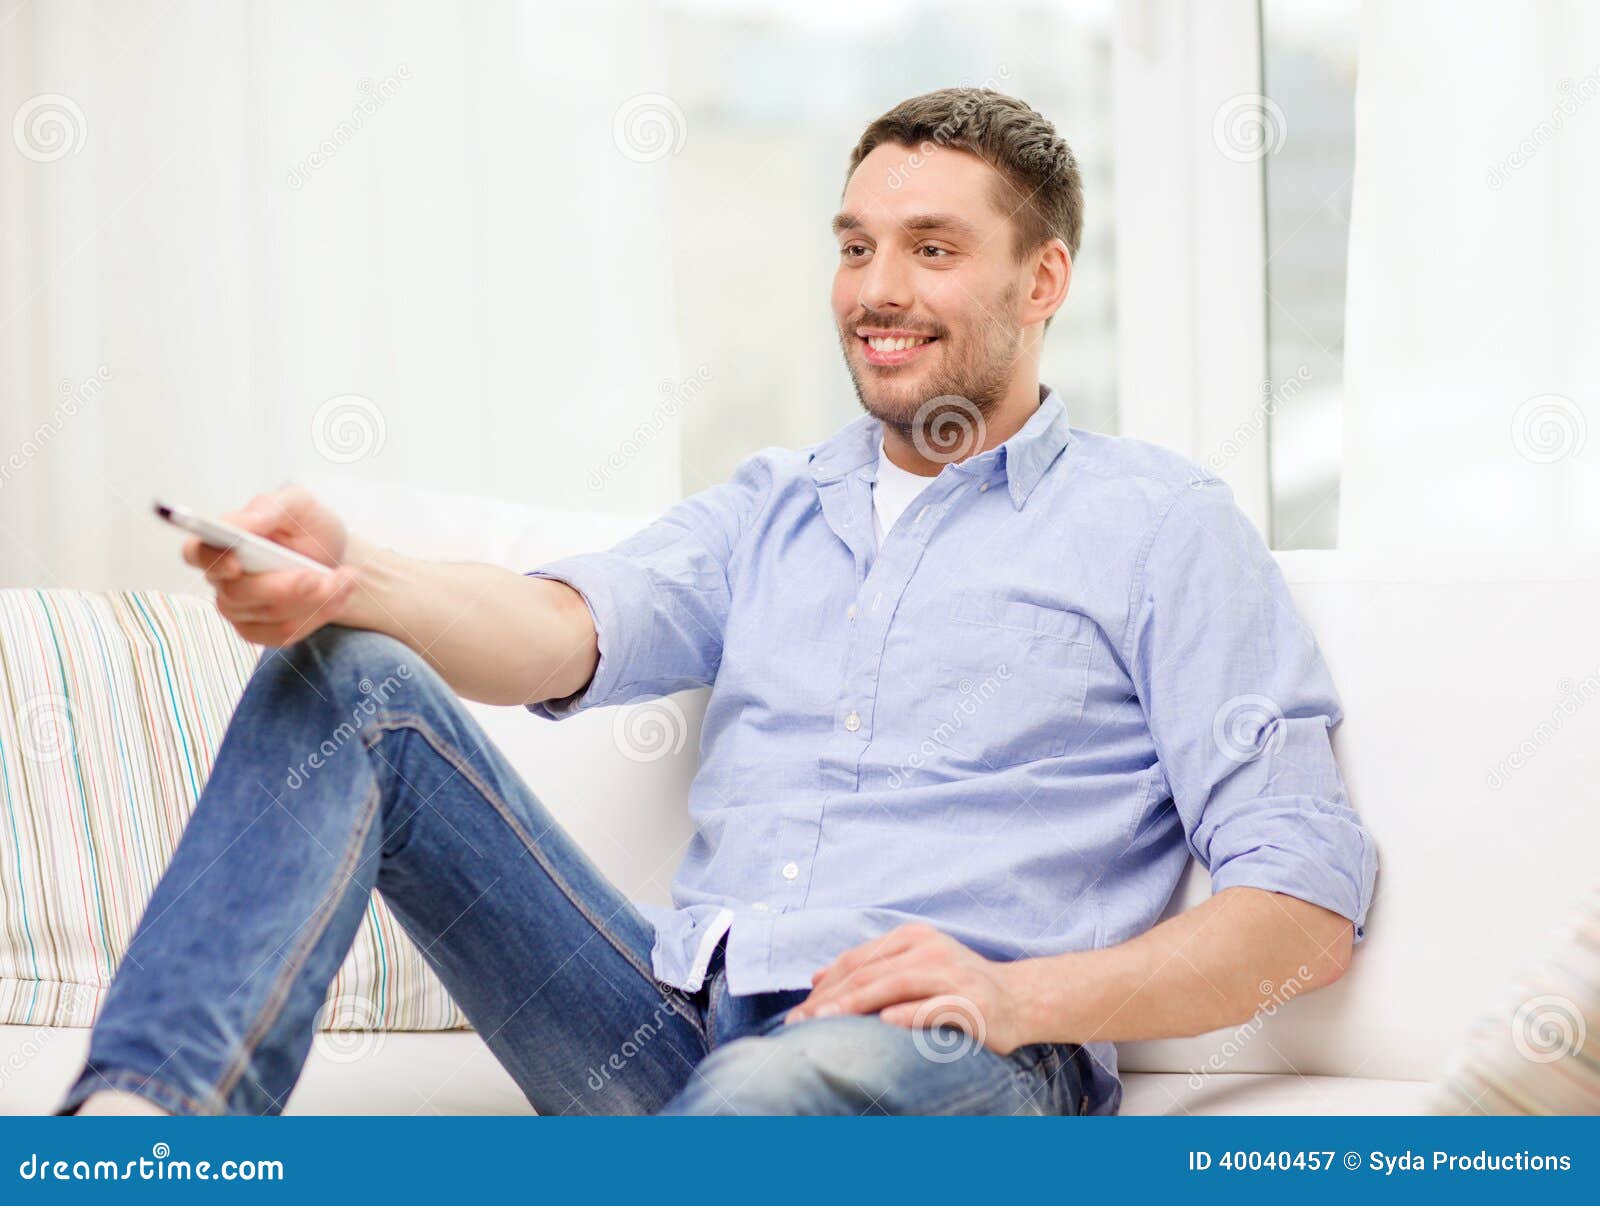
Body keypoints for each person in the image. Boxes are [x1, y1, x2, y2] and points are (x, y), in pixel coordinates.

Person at [60, 88, 1374, 1117]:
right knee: (353, 678)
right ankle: (143, 1129)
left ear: (1044, 281)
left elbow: (1304, 905)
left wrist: (1020, 995)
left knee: (771, 1094)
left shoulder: (1161, 525)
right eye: (857, 246)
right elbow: (555, 634)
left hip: (964, 1061)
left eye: (932, 248)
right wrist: (359, 578)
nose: (878, 290)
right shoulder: (770, 505)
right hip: (675, 1033)